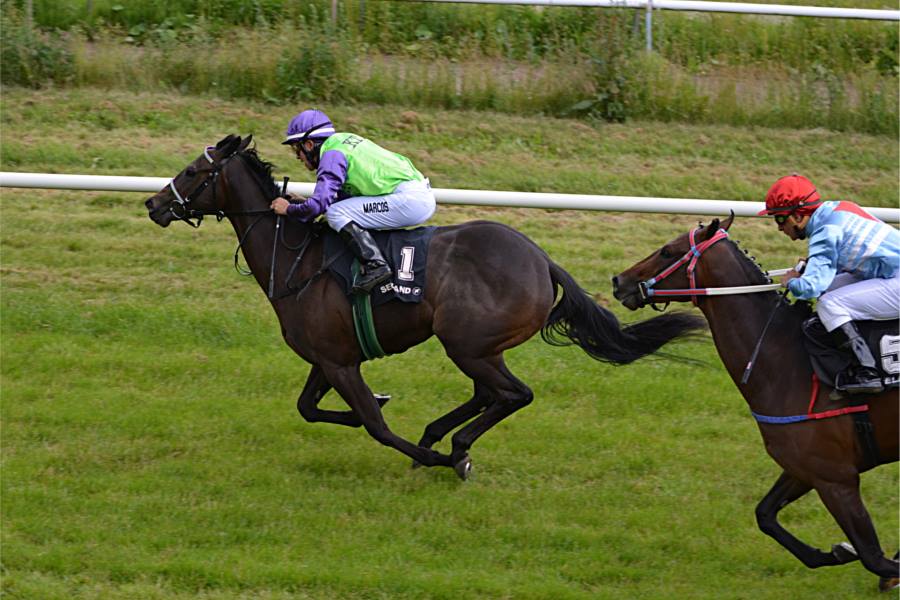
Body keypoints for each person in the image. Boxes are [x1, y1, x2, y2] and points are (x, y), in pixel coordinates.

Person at [759, 174, 900, 394]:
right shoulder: (840, 208)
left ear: (798, 216)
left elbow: (810, 289)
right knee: (830, 290)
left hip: (894, 278)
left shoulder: (825, 232)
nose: (779, 228)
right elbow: (849, 259)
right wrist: (809, 266)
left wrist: (793, 282)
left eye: (780, 219)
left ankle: (866, 372)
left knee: (829, 304)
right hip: (889, 272)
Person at [270, 109, 436, 294]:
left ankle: (376, 265)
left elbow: (321, 206)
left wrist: (289, 210)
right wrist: (305, 203)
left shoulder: (331, 155)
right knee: (337, 210)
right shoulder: (342, 140)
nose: (297, 157)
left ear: (309, 145)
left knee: (335, 213)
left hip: (409, 200)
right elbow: (338, 199)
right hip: (414, 194)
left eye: (296, 149)